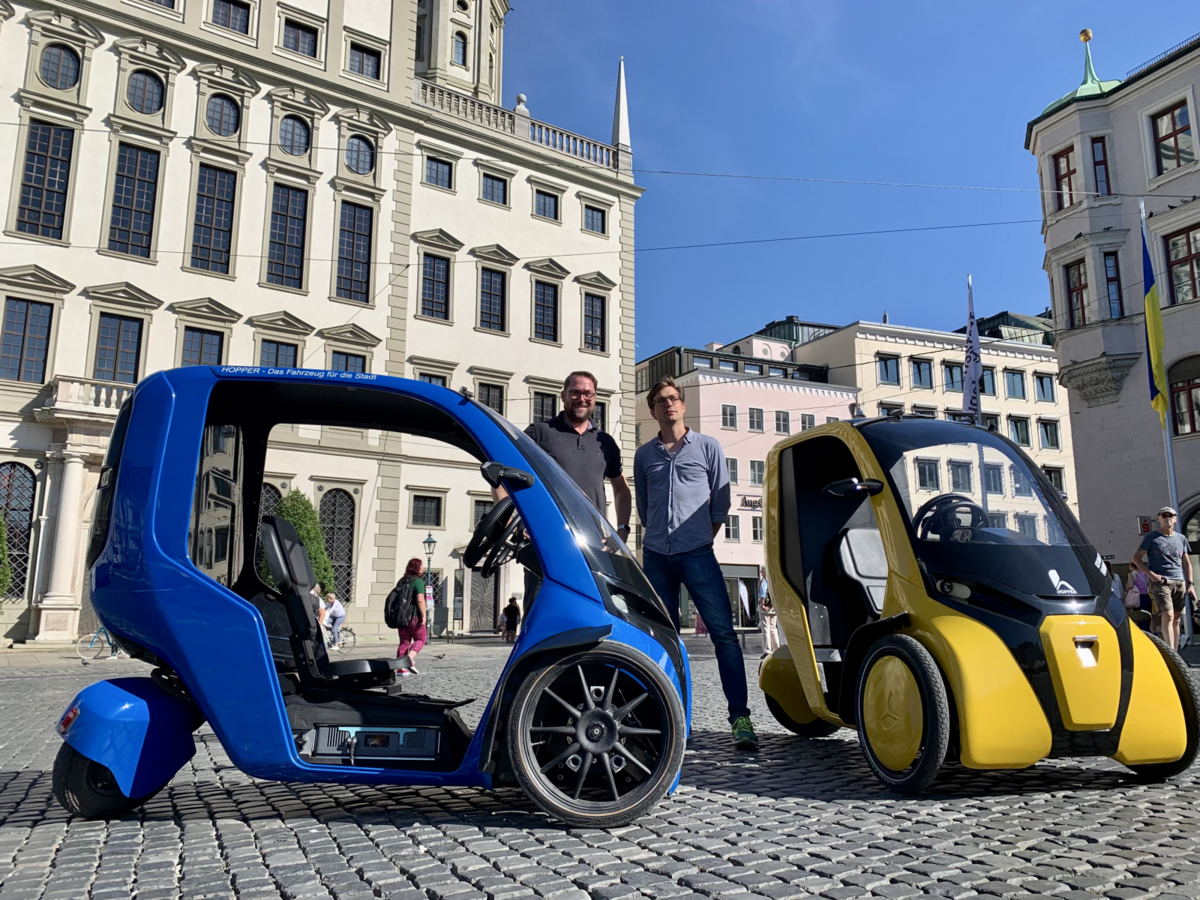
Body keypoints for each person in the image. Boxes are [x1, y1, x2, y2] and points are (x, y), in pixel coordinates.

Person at [634, 375, 758, 751]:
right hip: (656, 555)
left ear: (683, 405)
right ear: (653, 410)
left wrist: (701, 538)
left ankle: (740, 716)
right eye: (661, 400)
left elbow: (720, 504)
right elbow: (644, 507)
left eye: (674, 399)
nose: (668, 404)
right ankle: (670, 718)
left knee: (723, 635)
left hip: (698, 553)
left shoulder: (708, 447)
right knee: (660, 640)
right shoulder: (643, 456)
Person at [521, 371, 632, 609]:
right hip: (546, 542)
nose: (582, 398)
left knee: (591, 613)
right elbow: (503, 475)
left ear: (595, 397)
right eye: (575, 392)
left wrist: (620, 532)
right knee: (541, 614)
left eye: (588, 393)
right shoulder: (540, 433)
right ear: (563, 395)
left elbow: (621, 489)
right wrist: (518, 520)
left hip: (592, 546)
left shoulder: (605, 442)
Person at [1130, 507, 1195, 652]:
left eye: (1171, 515)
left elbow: (1186, 563)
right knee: (1168, 614)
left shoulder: (1181, 538)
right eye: (1164, 515)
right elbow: (1136, 558)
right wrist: (1150, 574)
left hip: (1179, 581)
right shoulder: (1151, 537)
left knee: (1177, 617)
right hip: (1161, 582)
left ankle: (1175, 653)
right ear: (1159, 518)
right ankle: (1171, 651)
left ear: (1175, 519)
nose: (1168, 518)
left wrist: (1190, 583)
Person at [395, 558, 428, 675]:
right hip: (414, 617)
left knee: (404, 641)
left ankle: (400, 668)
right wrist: (423, 615)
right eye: (421, 565)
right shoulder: (418, 581)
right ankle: (408, 660)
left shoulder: (401, 581)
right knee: (421, 639)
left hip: (401, 617)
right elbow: (420, 600)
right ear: (417, 567)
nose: (423, 568)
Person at [758, 568, 780, 657]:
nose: (761, 572)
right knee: (773, 628)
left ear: (764, 572)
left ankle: (767, 650)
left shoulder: (764, 580)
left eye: (761, 571)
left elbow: (763, 592)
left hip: (765, 607)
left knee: (766, 628)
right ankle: (776, 648)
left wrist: (762, 604)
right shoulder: (774, 580)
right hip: (774, 606)